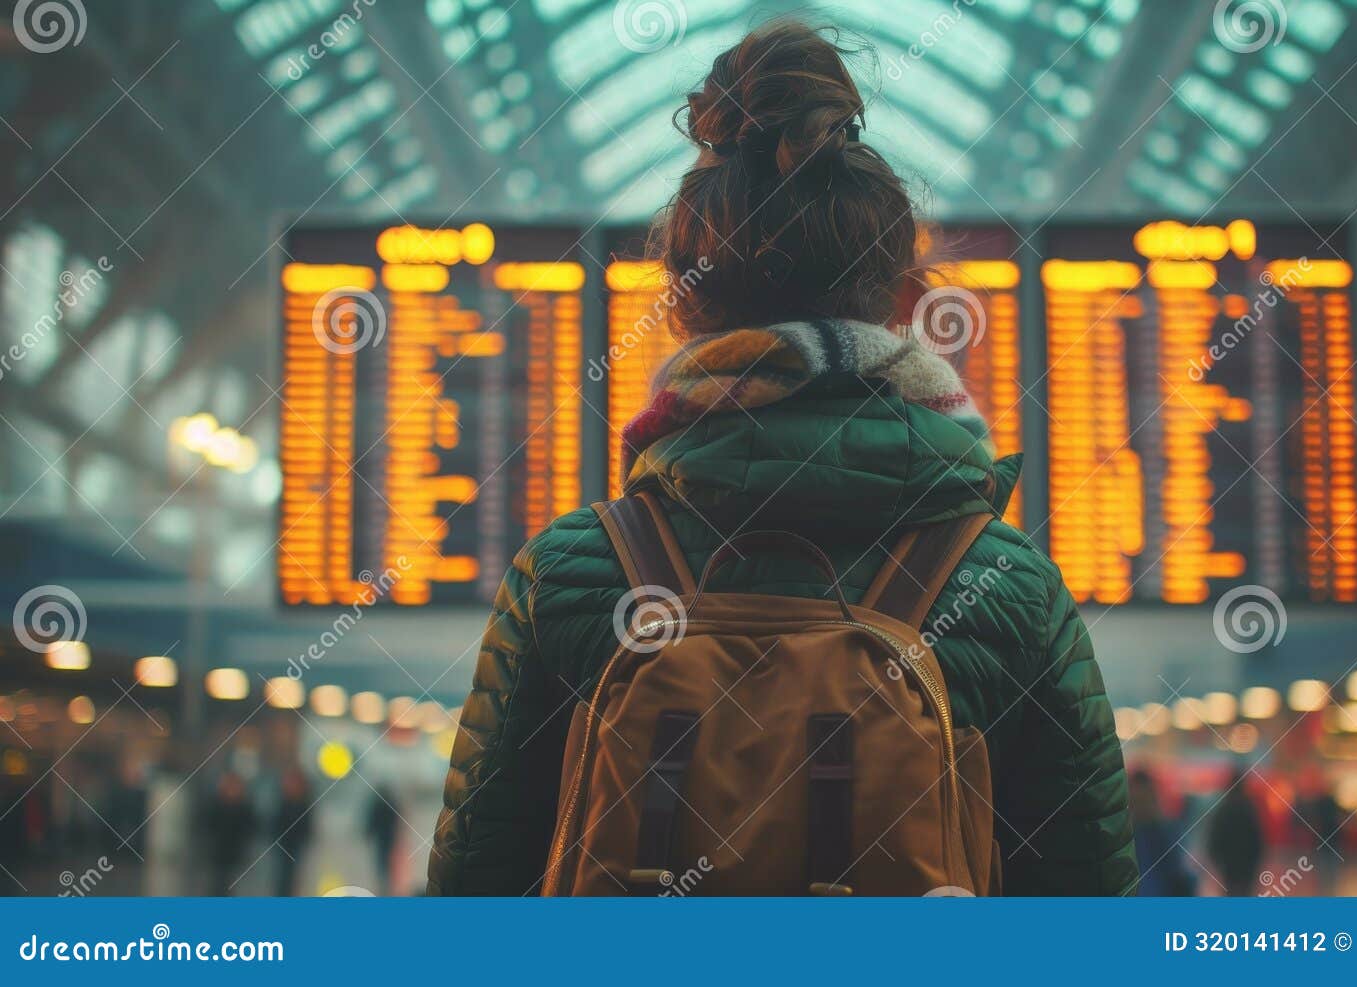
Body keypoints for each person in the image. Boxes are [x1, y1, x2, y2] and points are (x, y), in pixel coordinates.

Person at [426, 19, 1136, 897]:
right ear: (909, 301)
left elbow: (470, 903)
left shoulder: (570, 575)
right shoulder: (1009, 588)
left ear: (683, 306)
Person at [1129, 769, 1195, 896]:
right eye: (1138, 801)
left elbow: (1177, 872)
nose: (1142, 806)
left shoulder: (1165, 832)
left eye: (1143, 800)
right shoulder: (1167, 830)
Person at [1206, 770, 1264, 896]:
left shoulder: (1224, 809)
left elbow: (1215, 836)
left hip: (1228, 864)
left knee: (1230, 891)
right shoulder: (1249, 808)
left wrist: (1215, 858)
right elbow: (1257, 837)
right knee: (1245, 892)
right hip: (1246, 863)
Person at [205, 771, 256, 896]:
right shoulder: (215, 806)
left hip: (235, 855)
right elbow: (207, 827)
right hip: (217, 854)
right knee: (216, 884)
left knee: (232, 885)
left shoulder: (245, 809)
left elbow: (250, 830)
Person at [270, 767, 314, 897]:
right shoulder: (281, 802)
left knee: (291, 876)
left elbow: (307, 826)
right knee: (280, 876)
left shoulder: (303, 804)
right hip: (281, 844)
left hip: (295, 845)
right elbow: (274, 823)